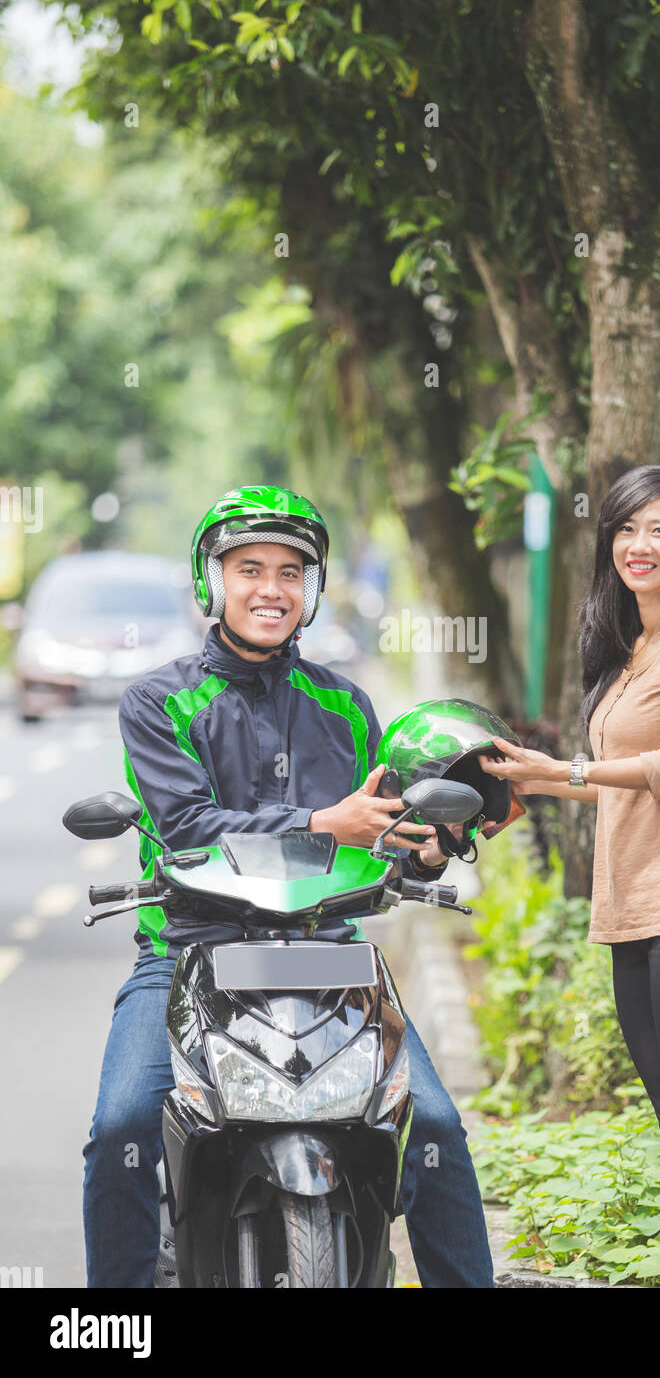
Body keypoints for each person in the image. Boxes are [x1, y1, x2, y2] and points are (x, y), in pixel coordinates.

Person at [82, 484, 494, 1288]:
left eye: (290, 572)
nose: (271, 589)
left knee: (435, 1127)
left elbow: (378, 840)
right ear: (213, 581)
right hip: (190, 953)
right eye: (249, 569)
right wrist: (319, 822)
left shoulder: (344, 704)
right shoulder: (158, 701)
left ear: (312, 589)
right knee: (119, 1126)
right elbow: (188, 828)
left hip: (328, 957)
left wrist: (430, 851)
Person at [479, 464, 660, 1289]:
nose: (637, 546)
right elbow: (611, 769)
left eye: (658, 530)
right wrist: (525, 778)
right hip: (629, 910)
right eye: (624, 529)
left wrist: (565, 773)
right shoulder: (628, 645)